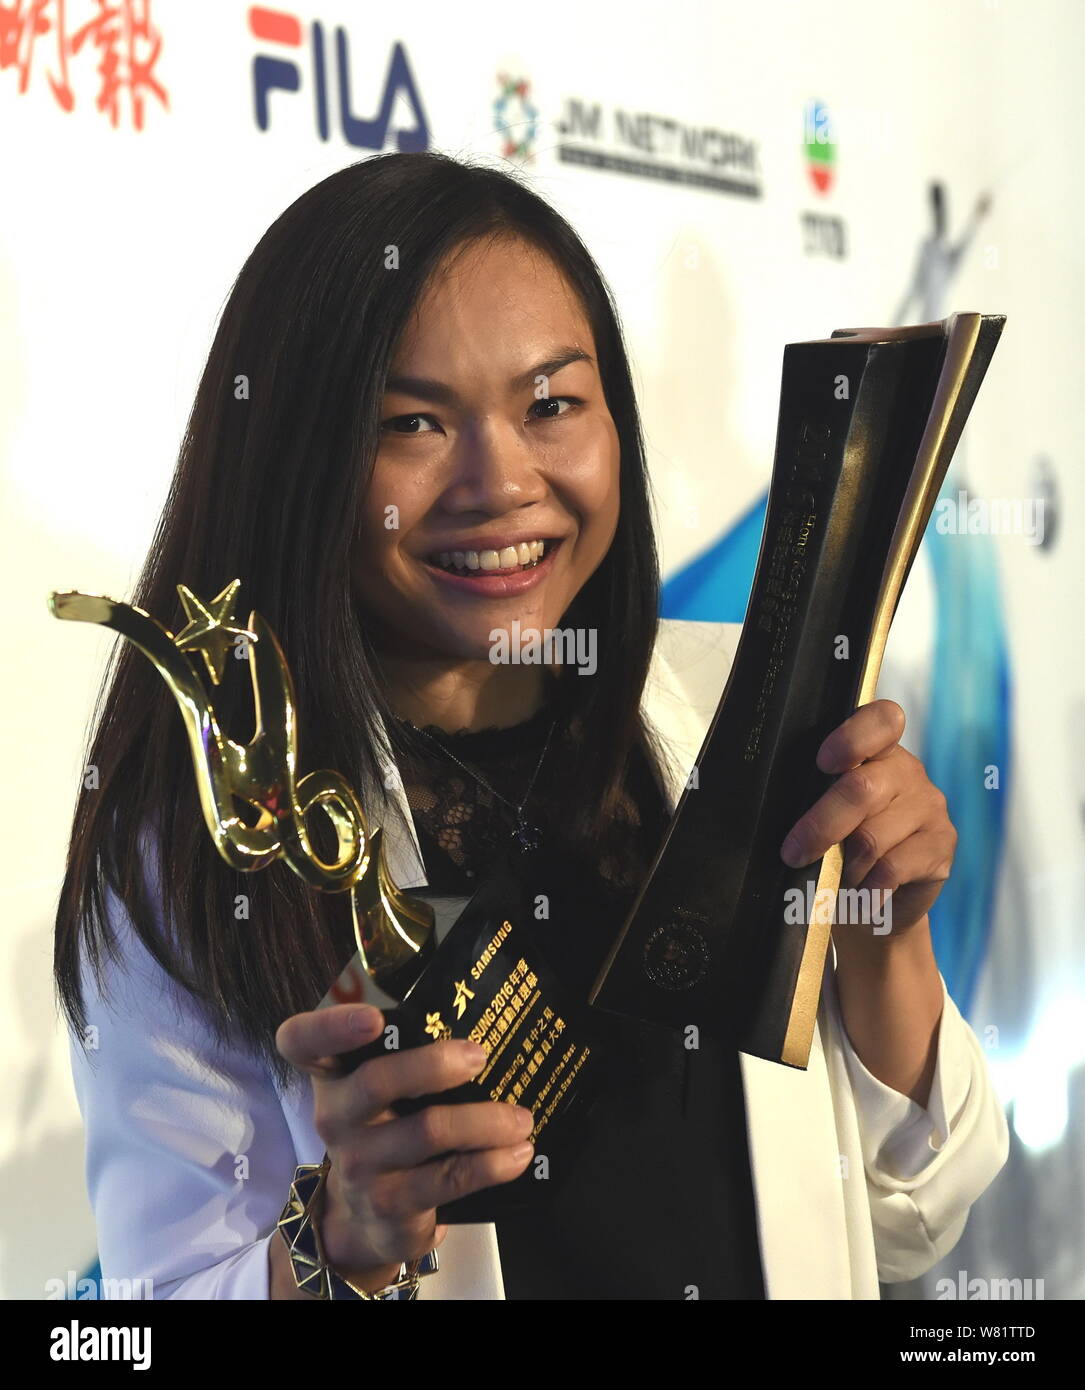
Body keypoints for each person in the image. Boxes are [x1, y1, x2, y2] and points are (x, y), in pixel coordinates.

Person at [56, 151, 1009, 1301]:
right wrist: (342, 1244)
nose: (500, 481)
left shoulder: (729, 713)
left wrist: (882, 934)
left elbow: (912, 1218)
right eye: (412, 423)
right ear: (297, 460)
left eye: (551, 403)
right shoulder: (207, 846)